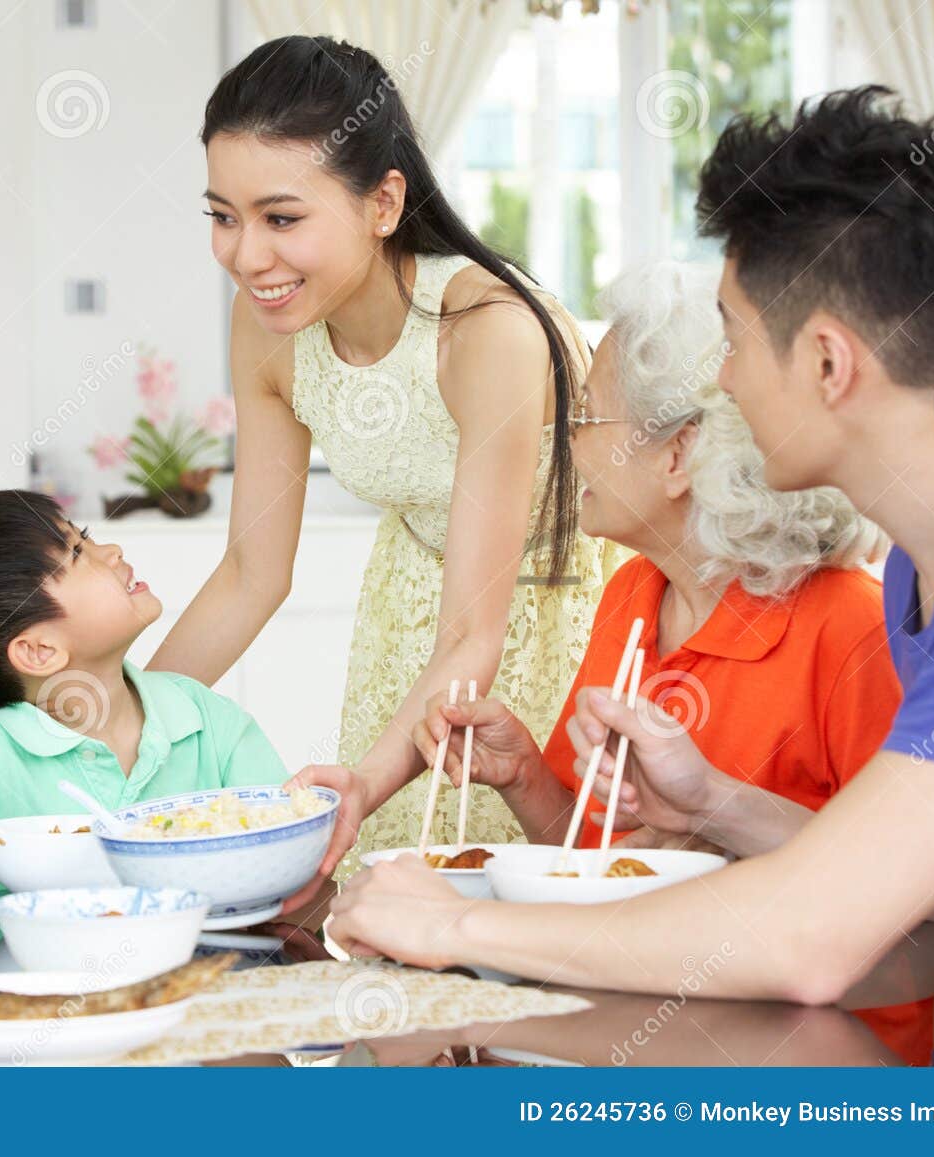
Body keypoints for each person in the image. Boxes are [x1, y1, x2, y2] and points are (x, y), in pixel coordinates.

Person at [328, 87, 934, 1004]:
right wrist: (717, 806)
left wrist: (450, 922)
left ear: (826, 362)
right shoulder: (921, 573)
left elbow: (811, 940)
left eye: (733, 339)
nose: (724, 380)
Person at [409, 260, 934, 1062]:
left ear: (680, 454)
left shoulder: (847, 626)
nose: (566, 442)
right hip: (651, 1023)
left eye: (585, 416)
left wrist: (725, 829)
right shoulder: (631, 594)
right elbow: (592, 865)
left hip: (827, 1052)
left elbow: (915, 902)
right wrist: (523, 777)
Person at [147, 35, 622, 877]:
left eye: (282, 218)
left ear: (383, 202)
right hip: (413, 613)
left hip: (554, 613)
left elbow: (478, 630)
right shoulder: (267, 325)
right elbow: (253, 572)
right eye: (223, 216)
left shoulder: (488, 334)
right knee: (398, 901)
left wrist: (363, 780)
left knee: (526, 897)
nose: (246, 257)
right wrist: (124, 724)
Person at [0, 490, 289, 894]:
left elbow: (287, 845)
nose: (112, 551)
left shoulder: (205, 719)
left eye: (87, 536)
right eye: (77, 553)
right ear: (40, 651)